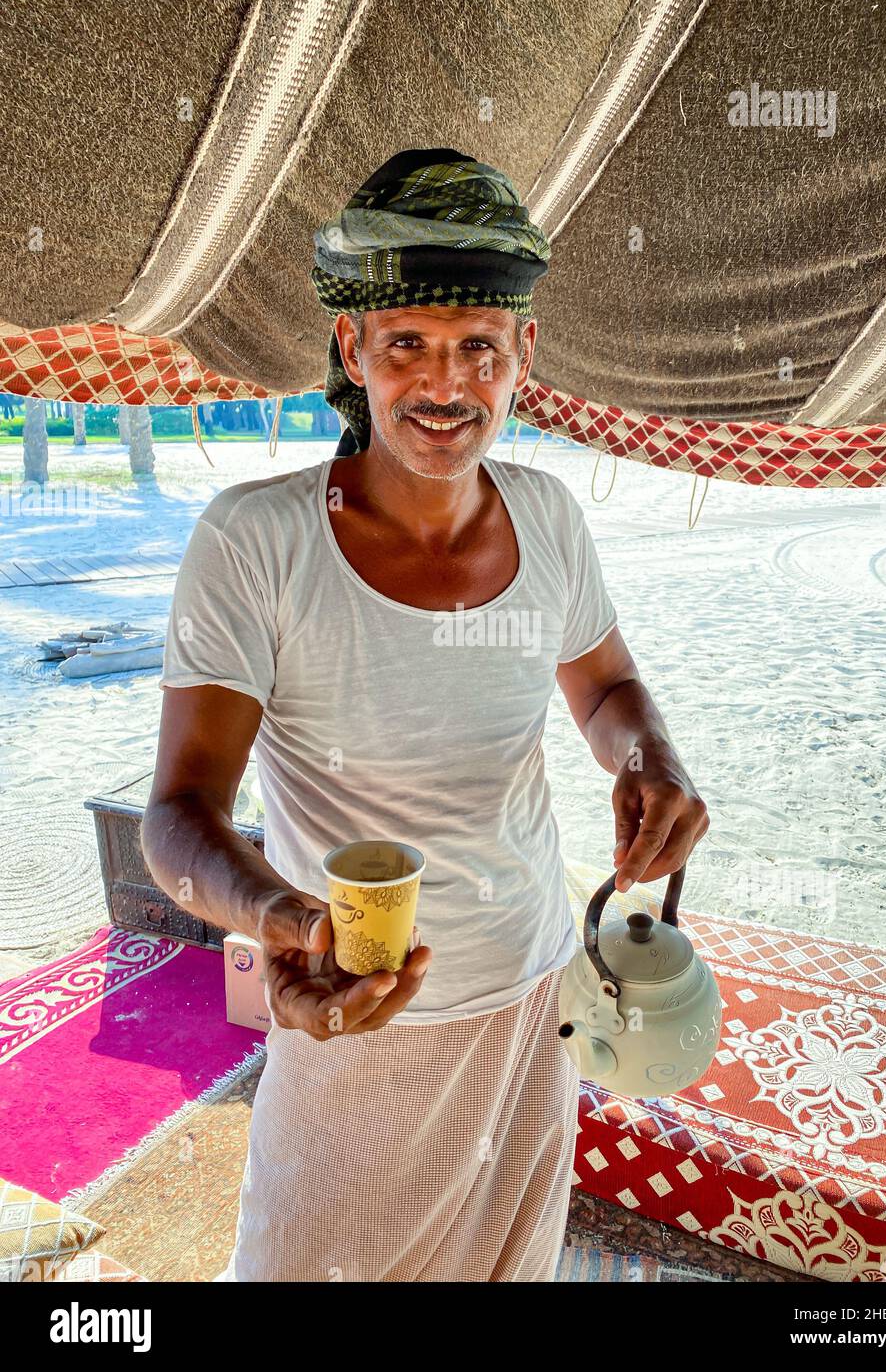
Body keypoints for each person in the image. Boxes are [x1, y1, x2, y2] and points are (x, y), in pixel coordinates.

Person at [141, 147, 709, 1282]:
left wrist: (647, 758)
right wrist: (283, 921)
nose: (443, 385)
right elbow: (178, 810)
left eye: (477, 349)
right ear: (352, 350)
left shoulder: (546, 518)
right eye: (406, 343)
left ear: (523, 357)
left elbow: (602, 686)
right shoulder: (259, 542)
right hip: (362, 1015)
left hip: (533, 997)